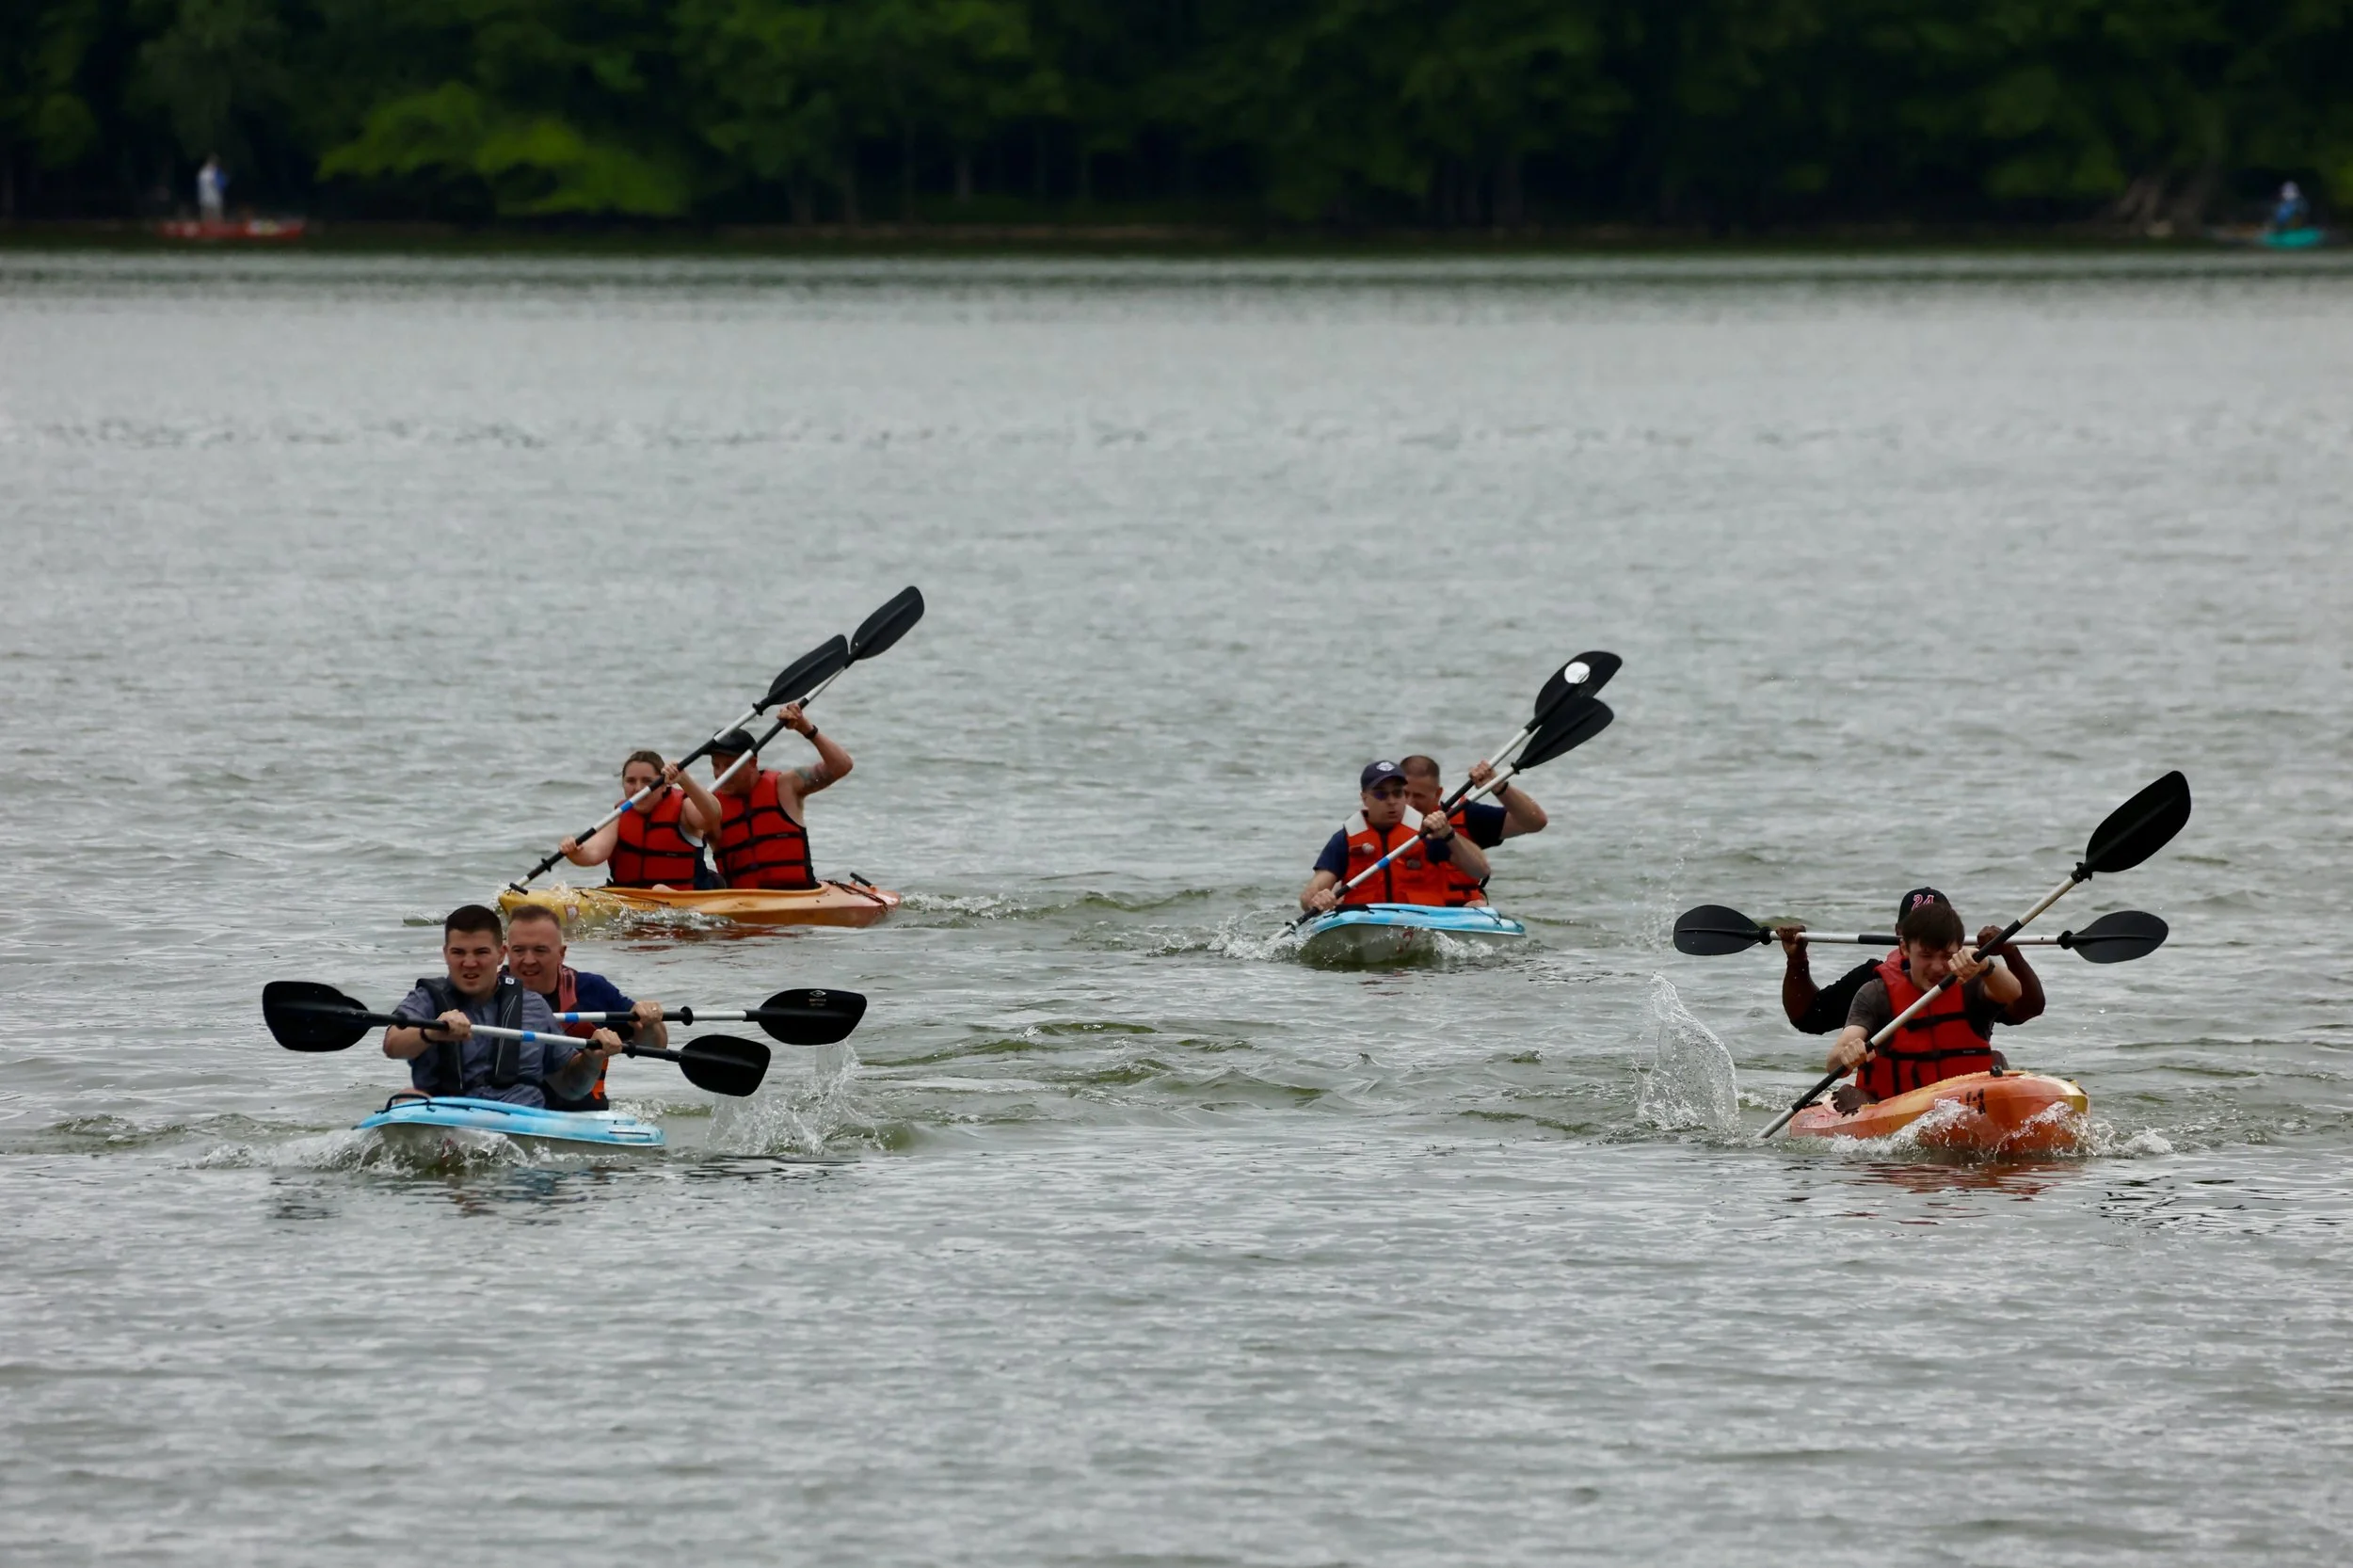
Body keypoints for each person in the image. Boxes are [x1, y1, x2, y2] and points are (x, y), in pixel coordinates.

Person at [382, 904, 623, 1109]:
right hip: (447, 1116)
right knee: (407, 1098)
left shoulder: (533, 1006)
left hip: (520, 1120)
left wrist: (592, 1059)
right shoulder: (426, 999)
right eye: (458, 952)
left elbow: (572, 1088)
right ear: (445, 954)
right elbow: (393, 1044)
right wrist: (431, 1032)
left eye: (481, 952)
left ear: (501, 954)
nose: (469, 963)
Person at [1821, 895, 2025, 1112]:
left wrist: (1987, 966)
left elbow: (2013, 993)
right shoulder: (1876, 993)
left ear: (1960, 949)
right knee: (1850, 1095)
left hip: (1968, 1105)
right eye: (1926, 955)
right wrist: (1847, 1055)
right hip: (1895, 1109)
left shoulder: (1972, 985)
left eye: (1947, 955)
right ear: (1905, 948)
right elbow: (1834, 1061)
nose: (1937, 967)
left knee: (1998, 1065)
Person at [1775, 887, 2044, 1034]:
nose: (1929, 938)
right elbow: (1807, 1018)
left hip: (1961, 1097)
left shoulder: (1973, 979)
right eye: (1920, 933)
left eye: (1938, 931)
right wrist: (1797, 960)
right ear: (1900, 937)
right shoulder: (1873, 983)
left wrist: (2009, 952)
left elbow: (2028, 1008)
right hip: (1896, 1101)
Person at [503, 904, 665, 1112]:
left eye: (540, 950)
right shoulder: (489, 993)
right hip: (510, 1114)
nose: (528, 960)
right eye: (519, 950)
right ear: (505, 952)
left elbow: (656, 1047)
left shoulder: (591, 989)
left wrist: (650, 1022)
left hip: (584, 1117)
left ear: (561, 953)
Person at [1300, 760, 1490, 914]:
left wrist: (1449, 834)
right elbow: (1310, 893)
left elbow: (1480, 870)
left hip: (1421, 922)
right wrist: (1317, 899)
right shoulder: (1345, 839)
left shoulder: (1427, 832)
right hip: (1366, 922)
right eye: (1381, 794)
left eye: (1398, 793)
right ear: (1365, 798)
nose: (1391, 801)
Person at [707, 702, 853, 889]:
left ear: (752, 763)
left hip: (798, 896)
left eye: (729, 765)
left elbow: (842, 765)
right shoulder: (709, 806)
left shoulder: (785, 787)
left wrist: (806, 728)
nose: (720, 774)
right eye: (715, 765)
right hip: (741, 903)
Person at [559, 749, 723, 889]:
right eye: (630, 781)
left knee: (659, 890)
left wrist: (685, 780)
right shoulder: (619, 815)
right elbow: (593, 854)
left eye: (647, 781)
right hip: (632, 899)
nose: (638, 788)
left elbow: (713, 816)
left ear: (664, 784)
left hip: (682, 899)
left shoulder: (684, 809)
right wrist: (575, 852)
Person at [1400, 754, 1547, 905]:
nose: (1409, 803)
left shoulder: (1466, 817)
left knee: (1478, 905)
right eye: (1403, 794)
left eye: (1419, 796)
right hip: (1398, 916)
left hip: (1459, 915)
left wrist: (1499, 786)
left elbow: (1535, 822)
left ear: (1437, 794)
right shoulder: (1379, 821)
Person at [197, 156, 226, 224]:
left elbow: (223, 184)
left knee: (216, 220)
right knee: (207, 220)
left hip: (215, 200)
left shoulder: (216, 172)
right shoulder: (203, 173)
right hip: (207, 200)